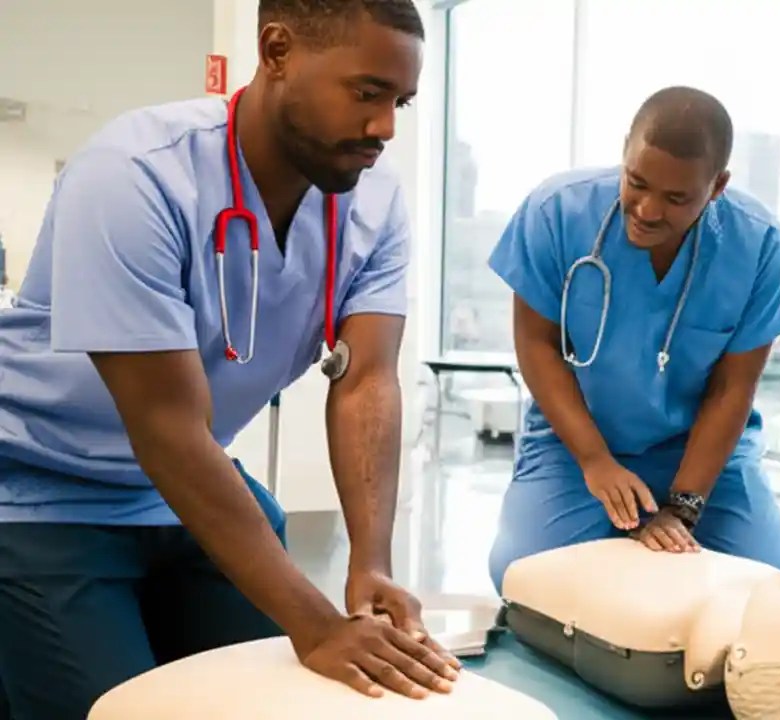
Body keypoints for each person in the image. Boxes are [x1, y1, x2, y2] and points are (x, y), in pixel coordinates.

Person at [0, 2, 461, 717]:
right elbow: (166, 428)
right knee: (117, 706)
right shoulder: (134, 175)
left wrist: (369, 563)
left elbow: (366, 378)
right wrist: (314, 624)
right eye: (366, 93)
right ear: (276, 51)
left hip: (181, 491)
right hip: (38, 488)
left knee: (277, 701)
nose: (385, 128)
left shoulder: (373, 199)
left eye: (400, 101)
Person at [485, 86, 780, 593]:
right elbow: (536, 344)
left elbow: (731, 390)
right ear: (625, 154)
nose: (649, 210)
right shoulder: (555, 212)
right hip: (577, 442)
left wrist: (683, 509)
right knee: (522, 575)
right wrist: (594, 460)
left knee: (768, 585)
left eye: (677, 198)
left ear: (717, 186)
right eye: (637, 183)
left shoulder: (759, 245)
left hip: (701, 450)